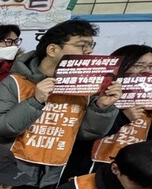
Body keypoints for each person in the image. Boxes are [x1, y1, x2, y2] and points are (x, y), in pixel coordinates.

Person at [0, 19, 121, 189]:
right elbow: (0, 127)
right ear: (52, 50)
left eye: (90, 45)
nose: (88, 51)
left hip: (51, 174)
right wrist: (35, 101)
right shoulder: (15, 83)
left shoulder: (84, 88)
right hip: (10, 170)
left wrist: (101, 107)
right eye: (81, 45)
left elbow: (83, 132)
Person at [63, 44, 152, 181]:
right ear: (121, 67)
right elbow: (81, 135)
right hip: (86, 172)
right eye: (138, 65)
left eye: (151, 67)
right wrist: (123, 118)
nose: (146, 72)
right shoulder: (94, 95)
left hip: (132, 176)